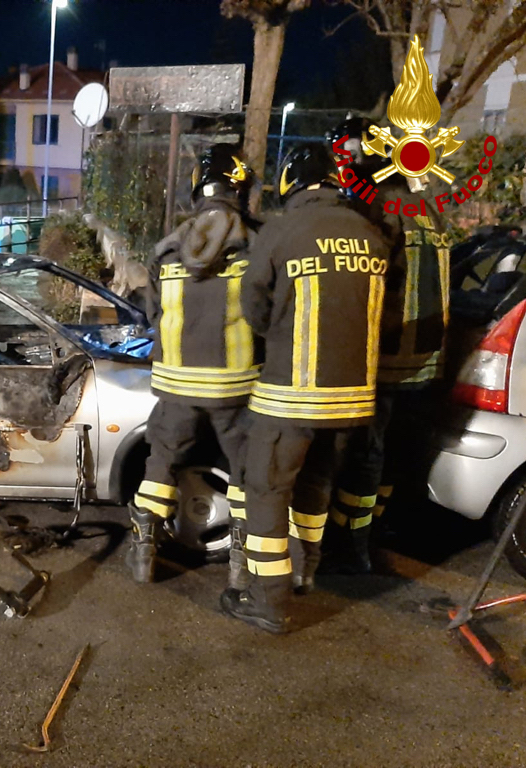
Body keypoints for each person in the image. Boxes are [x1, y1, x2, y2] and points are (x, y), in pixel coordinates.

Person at [221, 143, 390, 633]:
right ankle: (305, 571)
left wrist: (279, 330)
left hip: (291, 397)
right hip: (354, 401)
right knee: (317, 482)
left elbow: (253, 304)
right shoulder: (370, 231)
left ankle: (268, 601)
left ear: (292, 182)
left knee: (267, 491)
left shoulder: (282, 230)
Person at [126, 144, 261, 585]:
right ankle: (241, 564)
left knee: (161, 463)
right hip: (236, 389)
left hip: (176, 386)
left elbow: (152, 315)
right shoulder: (259, 245)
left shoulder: (167, 249)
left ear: (196, 189)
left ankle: (144, 553)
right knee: (244, 471)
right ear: (241, 188)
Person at [323, 119, 450, 573]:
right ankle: (371, 533)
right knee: (392, 458)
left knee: (364, 458)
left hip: (389, 357)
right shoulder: (427, 208)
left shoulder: (378, 210)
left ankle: (351, 548)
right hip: (427, 360)